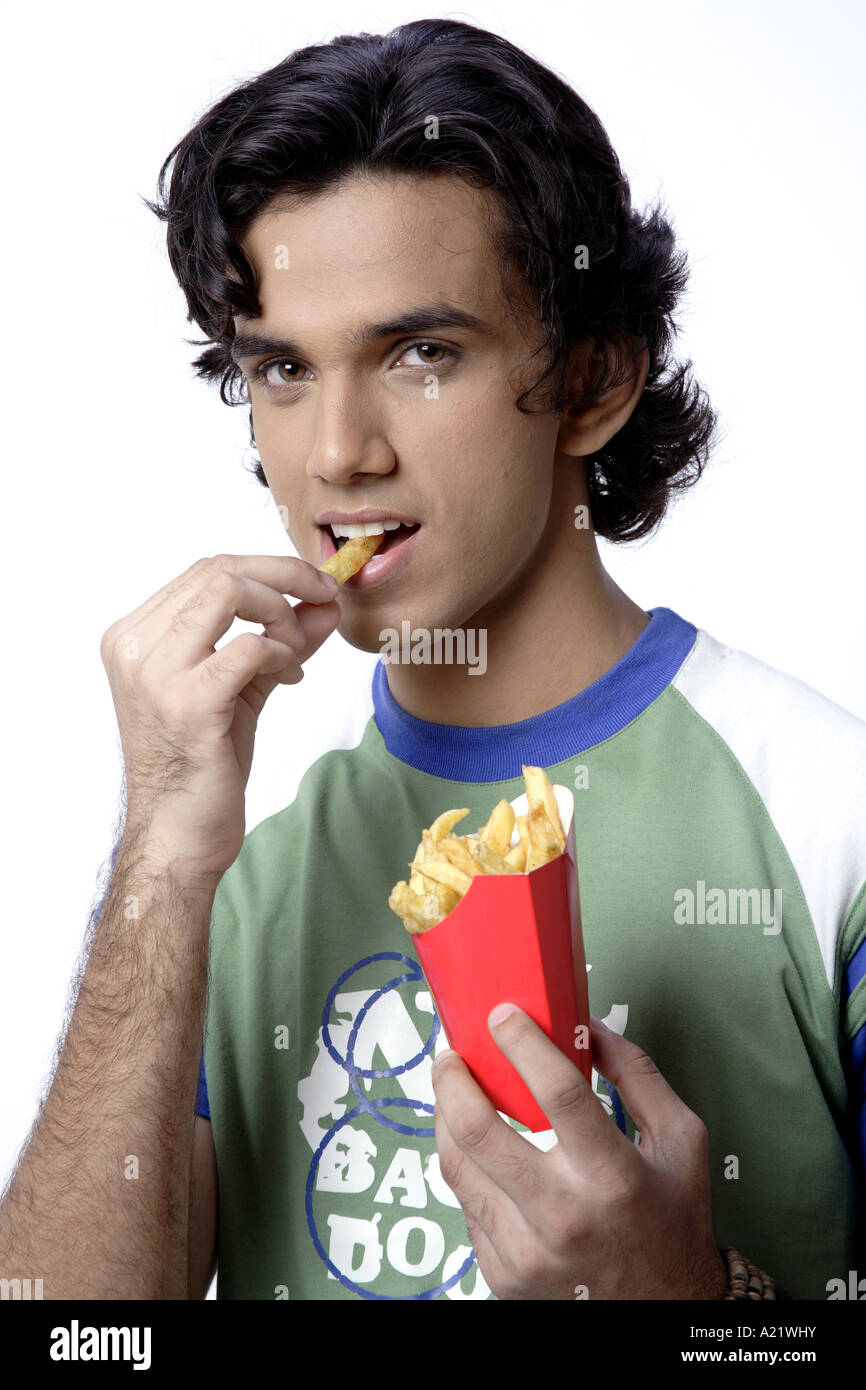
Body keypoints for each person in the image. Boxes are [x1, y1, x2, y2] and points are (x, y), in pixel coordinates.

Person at [1, 17, 863, 1302]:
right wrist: (159, 866)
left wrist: (697, 1307)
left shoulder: (826, 819)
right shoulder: (228, 885)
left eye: (420, 354)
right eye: (283, 369)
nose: (337, 454)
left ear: (593, 378)